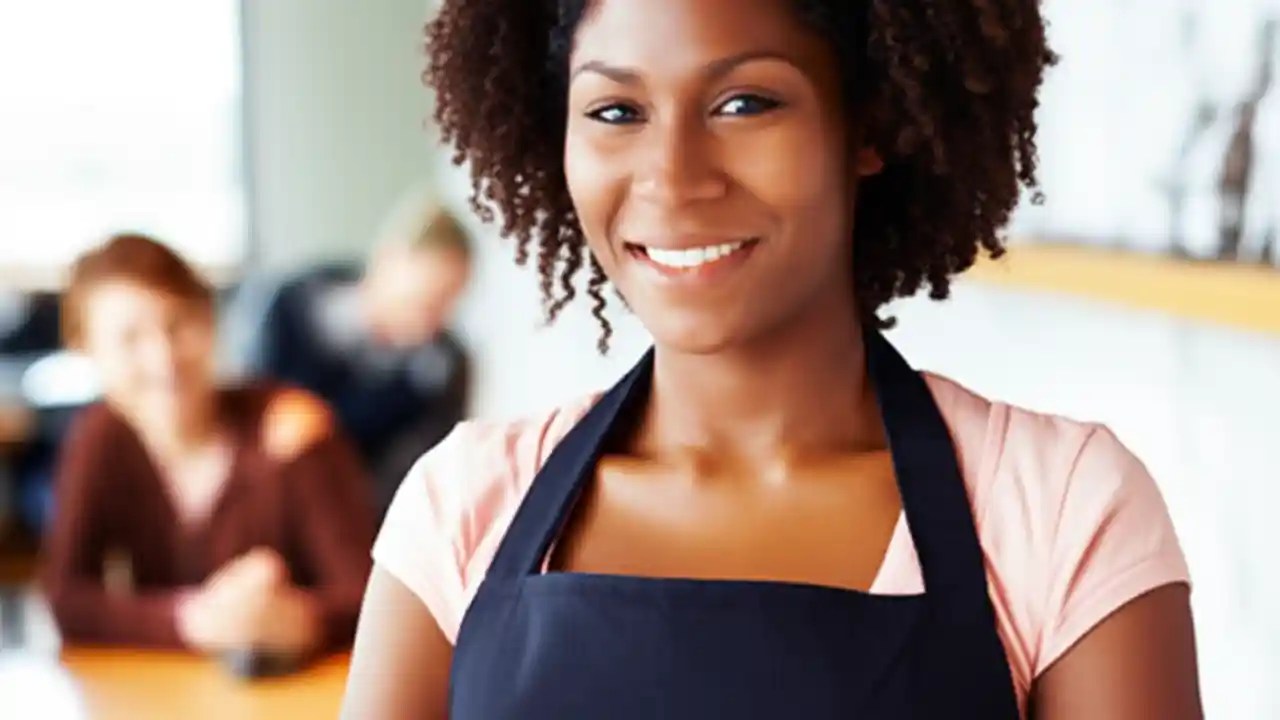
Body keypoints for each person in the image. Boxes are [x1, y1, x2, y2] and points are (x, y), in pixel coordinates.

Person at [343, 1, 1202, 718]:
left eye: (745, 103)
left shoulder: (1061, 510)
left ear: (870, 126)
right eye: (615, 113)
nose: (672, 178)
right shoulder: (460, 506)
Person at [41, 233, 374, 657]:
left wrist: (300, 619)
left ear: (210, 319)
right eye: (130, 338)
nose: (163, 359)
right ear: (86, 349)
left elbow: (366, 596)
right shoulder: (99, 439)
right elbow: (66, 598)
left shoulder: (293, 429)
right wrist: (192, 620)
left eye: (178, 324)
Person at [240, 191, 471, 514]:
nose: (432, 317)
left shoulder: (441, 370)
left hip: (362, 517)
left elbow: (424, 479)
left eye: (448, 302)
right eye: (427, 296)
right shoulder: (290, 308)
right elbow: (252, 418)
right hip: (275, 497)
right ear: (387, 259)